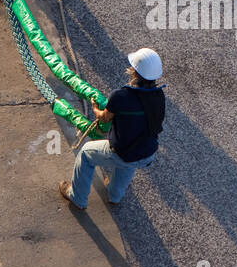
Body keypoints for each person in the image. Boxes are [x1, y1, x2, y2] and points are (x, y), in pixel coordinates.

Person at [59, 48, 165, 210]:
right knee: (128, 163)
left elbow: (104, 117)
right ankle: (114, 196)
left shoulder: (121, 96)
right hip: (148, 153)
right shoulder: (159, 96)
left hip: (125, 151)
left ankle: (77, 197)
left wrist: (94, 109)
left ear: (134, 71)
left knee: (87, 153)